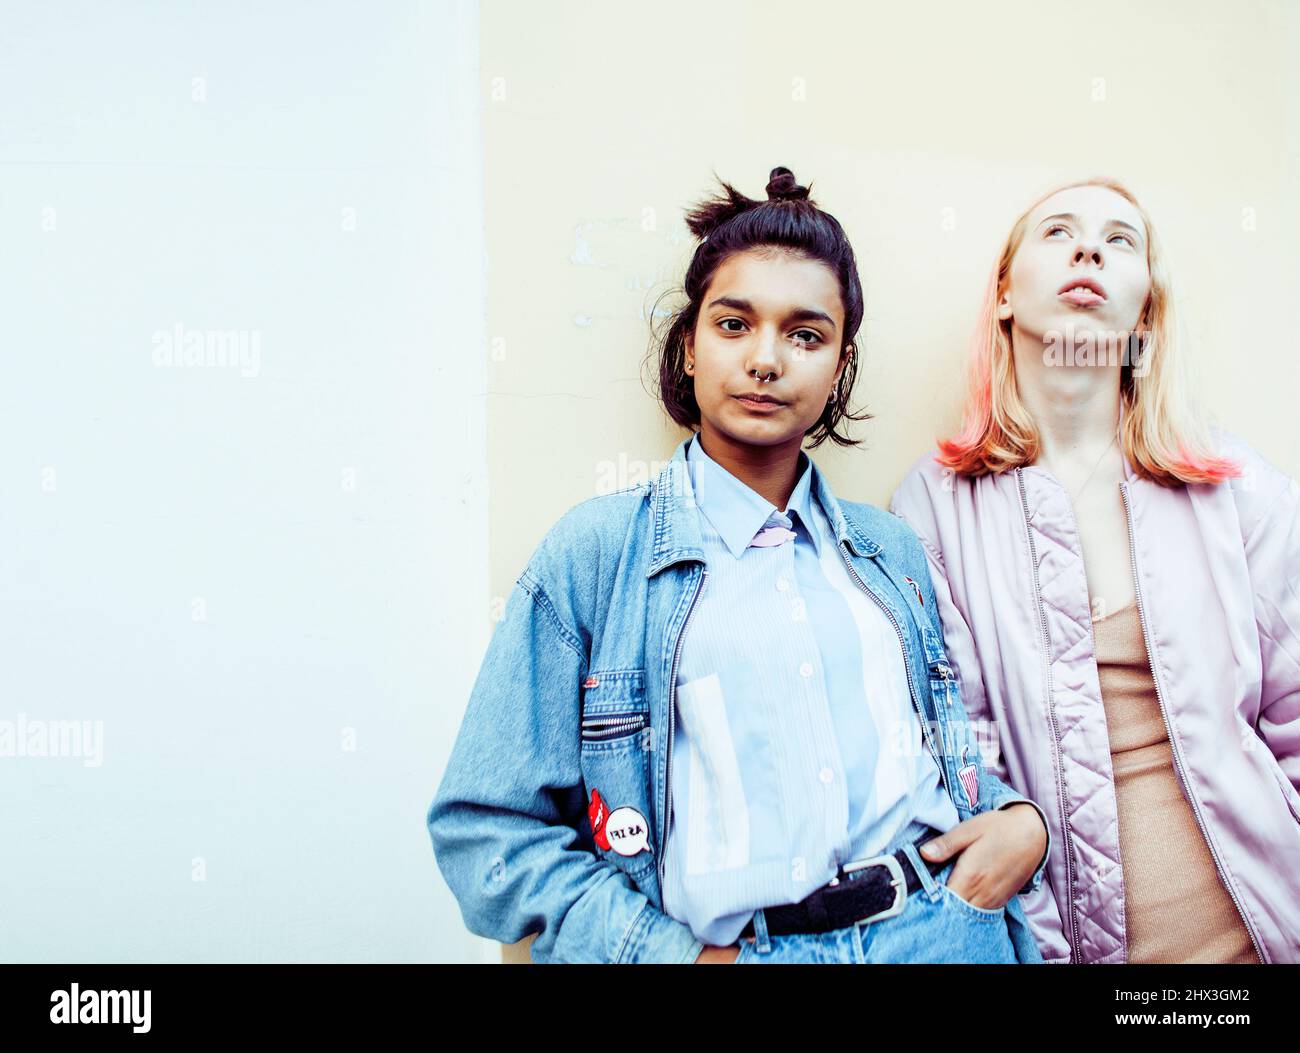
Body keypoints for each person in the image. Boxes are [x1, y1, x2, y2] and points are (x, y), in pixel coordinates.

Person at [428, 166, 1050, 964]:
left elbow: (941, 752)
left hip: (944, 933)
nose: (766, 359)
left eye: (805, 334)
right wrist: (664, 956)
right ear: (689, 347)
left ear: (837, 369)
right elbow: (487, 830)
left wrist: (1019, 824)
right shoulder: (593, 556)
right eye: (733, 324)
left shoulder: (888, 550)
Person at [890, 177, 1300, 964]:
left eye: (1121, 240)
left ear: (1144, 313)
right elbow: (964, 758)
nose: (1088, 249)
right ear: (1005, 294)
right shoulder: (933, 507)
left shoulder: (1234, 489)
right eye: (1058, 233)